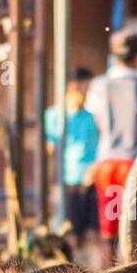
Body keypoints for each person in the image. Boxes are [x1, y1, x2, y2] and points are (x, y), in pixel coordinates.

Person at [86, 29, 137, 265]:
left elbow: (99, 122)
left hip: (106, 164)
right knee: (134, 225)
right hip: (134, 165)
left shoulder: (99, 85)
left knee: (108, 229)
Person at [43, 68, 99, 254]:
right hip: (68, 178)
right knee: (71, 232)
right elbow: (50, 148)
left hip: (90, 178)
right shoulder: (54, 116)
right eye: (84, 89)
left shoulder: (91, 117)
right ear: (73, 87)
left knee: (93, 232)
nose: (86, 94)